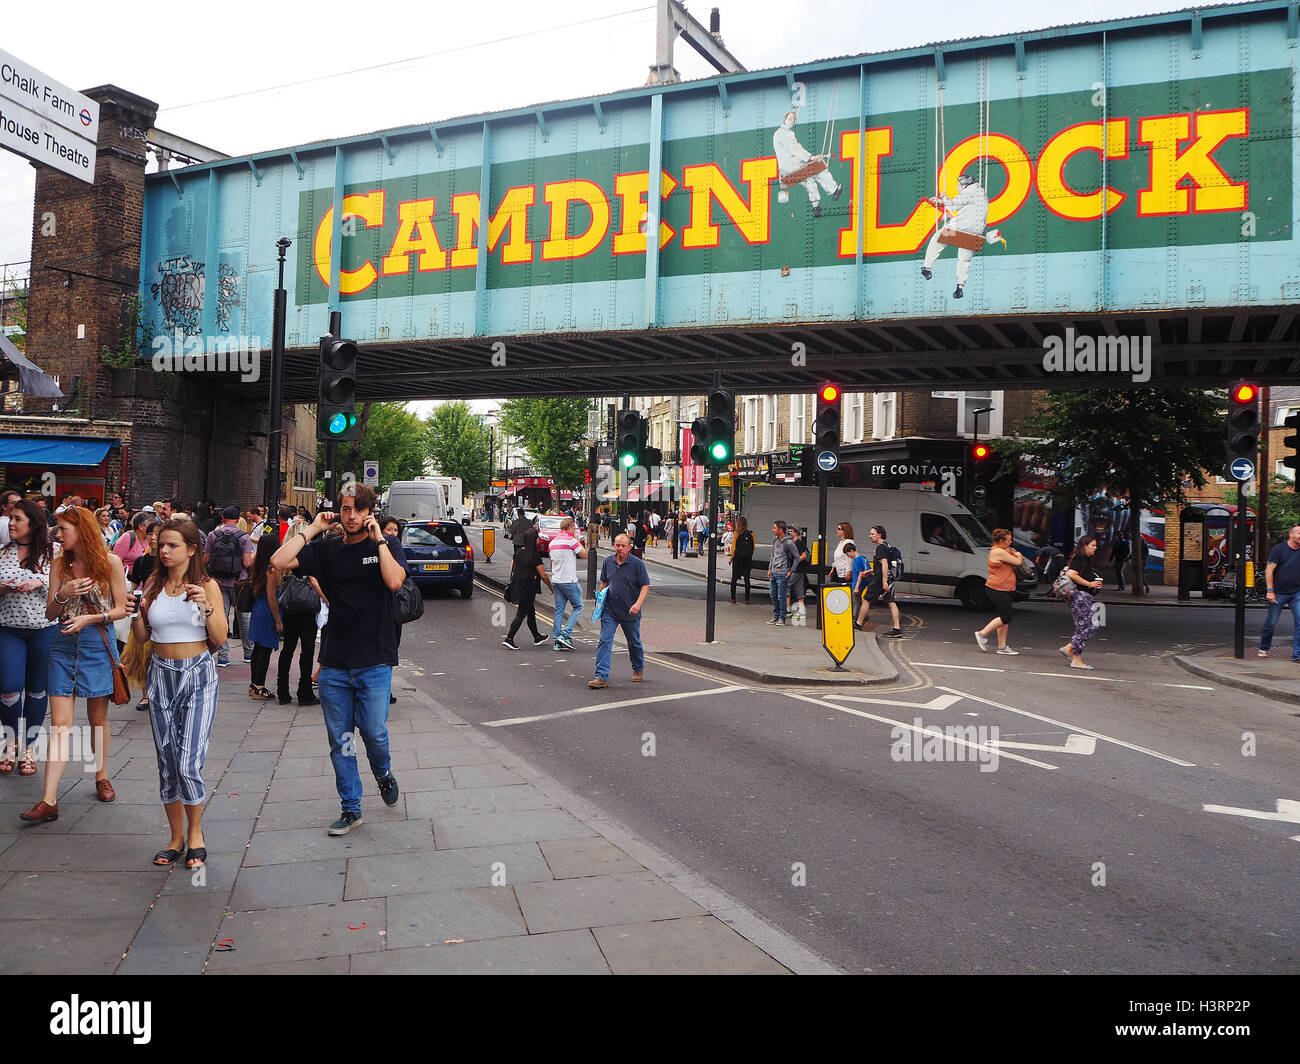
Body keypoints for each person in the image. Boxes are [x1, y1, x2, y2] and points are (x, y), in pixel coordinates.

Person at [271, 484, 407, 836]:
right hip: (334, 662)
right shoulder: (328, 548)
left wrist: (379, 541)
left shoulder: (387, 545)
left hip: (375, 658)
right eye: (346, 509)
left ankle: (382, 772)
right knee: (341, 739)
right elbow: (277, 562)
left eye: (358, 510)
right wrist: (313, 528)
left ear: (370, 513)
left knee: (374, 732)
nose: (351, 516)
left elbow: (394, 582)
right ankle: (351, 808)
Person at [124, 519, 225, 868]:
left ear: (192, 549)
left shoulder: (206, 586)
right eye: (161, 546)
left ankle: (196, 834)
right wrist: (134, 614)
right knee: (167, 761)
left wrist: (205, 606)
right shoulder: (153, 584)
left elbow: (221, 637)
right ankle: (176, 837)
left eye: (172, 546)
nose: (164, 551)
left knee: (187, 760)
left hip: (197, 674)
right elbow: (142, 637)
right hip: (160, 674)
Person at [19, 508, 130, 823]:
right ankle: (49, 799)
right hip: (63, 646)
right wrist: (64, 595)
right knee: (60, 724)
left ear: (82, 530)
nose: (58, 533)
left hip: (97, 642)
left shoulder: (109, 563)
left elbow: (122, 610)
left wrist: (90, 618)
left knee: (97, 719)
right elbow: (51, 613)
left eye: (64, 528)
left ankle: (101, 775)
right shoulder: (59, 563)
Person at [0, 500, 59, 778]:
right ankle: (10, 742)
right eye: (10, 518)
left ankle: (29, 748)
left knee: (37, 690)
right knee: (9, 688)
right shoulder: (2, 552)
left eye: (17, 519)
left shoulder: (54, 552)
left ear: (33, 523)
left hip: (44, 629)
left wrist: (41, 581)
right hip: (8, 628)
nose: (11, 523)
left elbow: (65, 582)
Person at [588, 533, 649, 688]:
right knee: (605, 641)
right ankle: (601, 676)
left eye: (623, 546)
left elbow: (645, 586)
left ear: (629, 547)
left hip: (630, 611)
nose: (620, 548)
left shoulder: (637, 564)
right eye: (617, 545)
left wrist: (638, 604)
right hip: (610, 610)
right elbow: (604, 583)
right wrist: (599, 603)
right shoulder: (608, 562)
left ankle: (638, 668)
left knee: (634, 642)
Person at [920, 171, 989, 299]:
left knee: (938, 238)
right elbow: (966, 205)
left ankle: (927, 267)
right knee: (964, 260)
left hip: (961, 231)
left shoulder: (969, 192)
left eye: (959, 184)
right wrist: (941, 202)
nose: (958, 187)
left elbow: (953, 207)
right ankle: (960, 287)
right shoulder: (981, 193)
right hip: (976, 236)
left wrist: (944, 197)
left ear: (964, 185)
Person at [203, 507, 255, 667]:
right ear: (238, 520)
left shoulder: (213, 535)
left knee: (221, 617)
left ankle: (223, 656)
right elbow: (246, 562)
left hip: (218, 582)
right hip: (239, 582)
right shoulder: (244, 537)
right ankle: (248, 653)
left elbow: (205, 559)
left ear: (223, 518)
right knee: (244, 618)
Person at [772, 109, 842, 218]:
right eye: (790, 119)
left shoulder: (783, 134)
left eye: (793, 120)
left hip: (787, 173)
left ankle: (816, 207)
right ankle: (834, 190)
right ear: (784, 120)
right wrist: (811, 157)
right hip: (791, 170)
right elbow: (795, 149)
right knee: (819, 165)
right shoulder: (782, 134)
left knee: (810, 180)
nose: (791, 121)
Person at [974, 529, 1024, 655]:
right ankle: (982, 634)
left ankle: (1002, 647)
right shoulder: (998, 552)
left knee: (1004, 617)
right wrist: (1018, 554)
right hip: (996, 589)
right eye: (1008, 540)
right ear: (1001, 541)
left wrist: (1011, 552)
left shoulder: (1002, 550)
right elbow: (1018, 562)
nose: (1011, 542)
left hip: (1006, 588)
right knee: (1006, 617)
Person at [1059, 535, 1105, 670]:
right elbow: (1072, 574)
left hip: (1085, 596)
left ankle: (1069, 648)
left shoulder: (1086, 558)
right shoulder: (1079, 557)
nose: (1095, 548)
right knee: (1083, 628)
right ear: (1085, 545)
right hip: (1080, 597)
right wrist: (1089, 583)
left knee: (1094, 625)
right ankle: (1076, 658)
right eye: (1093, 545)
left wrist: (1093, 583)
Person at [245, 536, 282, 700]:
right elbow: (272, 597)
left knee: (258, 648)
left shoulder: (257, 566)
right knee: (264, 650)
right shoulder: (271, 569)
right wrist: (278, 620)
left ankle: (254, 685)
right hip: (267, 611)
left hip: (257, 609)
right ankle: (260, 686)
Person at [1258, 523, 1300, 662]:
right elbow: (1269, 570)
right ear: (1291, 534)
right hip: (1279, 592)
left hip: (1297, 593)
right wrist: (1270, 590)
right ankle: (1264, 647)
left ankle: (1297, 654)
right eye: (1299, 533)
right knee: (1271, 622)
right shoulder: (1279, 549)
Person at [503, 530, 551, 650]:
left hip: (518, 585)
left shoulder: (518, 552)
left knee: (531, 613)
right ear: (533, 540)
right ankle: (509, 638)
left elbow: (512, 567)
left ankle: (537, 637)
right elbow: (543, 575)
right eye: (537, 538)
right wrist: (550, 586)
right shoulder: (534, 556)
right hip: (528, 588)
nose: (538, 540)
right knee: (521, 614)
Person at [856, 525, 903, 636]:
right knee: (891, 602)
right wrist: (870, 570)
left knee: (866, 599)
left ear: (879, 535)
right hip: (886, 578)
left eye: (872, 534)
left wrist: (883, 582)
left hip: (879, 579)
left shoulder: (881, 547)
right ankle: (897, 629)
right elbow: (882, 564)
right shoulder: (887, 546)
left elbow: (885, 564)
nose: (870, 536)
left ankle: (858, 624)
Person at [549, 517, 586, 652]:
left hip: (556, 580)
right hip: (569, 580)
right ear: (570, 527)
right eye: (574, 528)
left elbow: (552, 562)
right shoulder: (571, 541)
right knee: (578, 607)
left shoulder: (552, 542)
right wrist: (576, 539)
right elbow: (584, 555)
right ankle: (565, 635)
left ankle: (557, 640)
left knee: (559, 610)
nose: (575, 530)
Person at [766, 521, 800, 626]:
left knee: (781, 596)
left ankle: (782, 618)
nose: (773, 529)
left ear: (780, 530)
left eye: (774, 528)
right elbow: (773, 555)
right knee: (773, 595)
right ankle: (776, 616)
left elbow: (797, 557)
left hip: (783, 573)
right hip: (774, 572)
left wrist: (791, 571)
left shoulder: (789, 543)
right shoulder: (775, 540)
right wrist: (770, 568)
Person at [729, 515, 755, 604]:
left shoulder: (736, 533)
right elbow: (753, 547)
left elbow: (734, 547)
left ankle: (733, 598)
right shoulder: (751, 533)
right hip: (747, 559)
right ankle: (747, 599)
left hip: (737, 558)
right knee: (747, 579)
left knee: (734, 578)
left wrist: (731, 558)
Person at [788, 525, 810, 622]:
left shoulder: (797, 543)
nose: (789, 532)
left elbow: (804, 555)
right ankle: (801, 613)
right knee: (799, 591)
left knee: (786, 587)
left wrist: (795, 562)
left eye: (791, 531)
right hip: (800, 570)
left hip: (796, 570)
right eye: (788, 531)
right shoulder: (794, 542)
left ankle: (787, 611)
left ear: (796, 533)